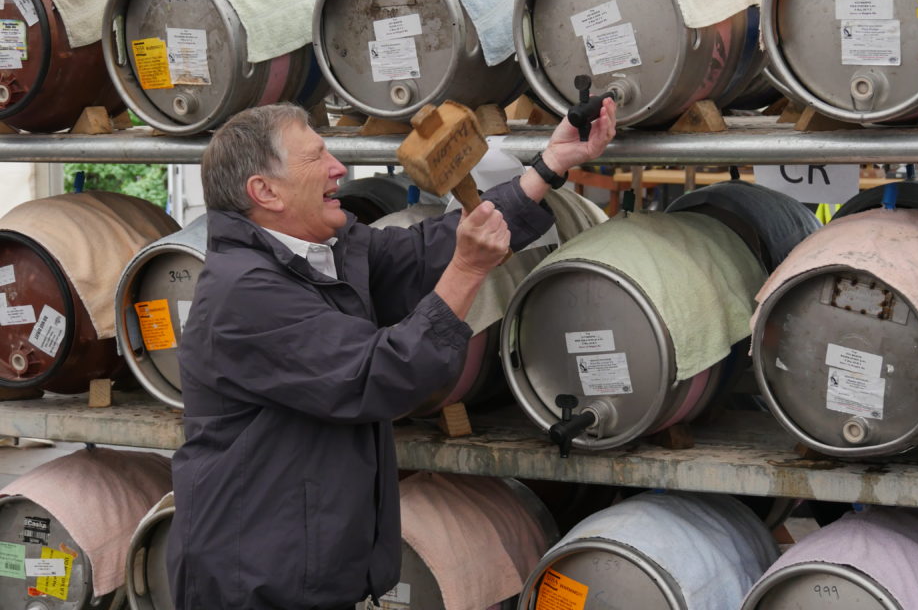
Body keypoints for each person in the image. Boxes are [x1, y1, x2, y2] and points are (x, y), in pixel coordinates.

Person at [167, 99, 616, 610]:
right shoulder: (244, 292)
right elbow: (377, 375)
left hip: (301, 564)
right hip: (253, 578)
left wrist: (550, 165)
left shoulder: (320, 252)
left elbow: (425, 251)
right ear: (265, 192)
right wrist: (468, 272)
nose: (339, 168)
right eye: (317, 158)